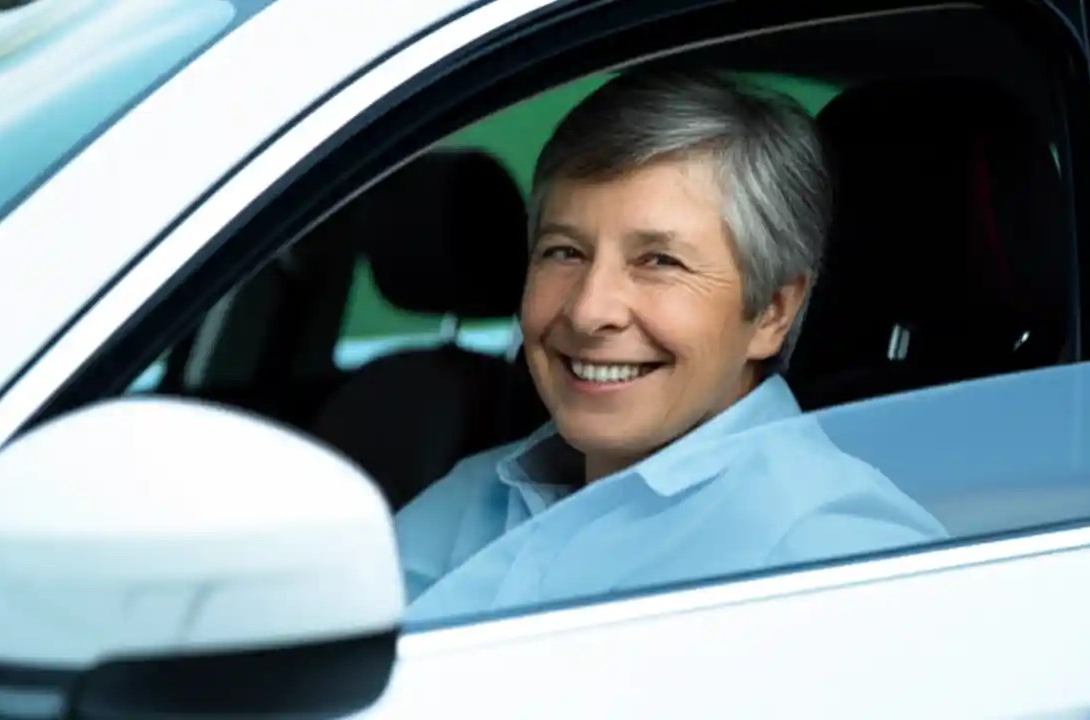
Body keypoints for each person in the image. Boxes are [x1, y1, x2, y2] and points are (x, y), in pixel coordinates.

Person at [394, 67, 947, 622]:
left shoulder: (837, 555)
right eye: (564, 252)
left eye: (659, 261)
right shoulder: (474, 496)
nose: (590, 310)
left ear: (772, 313)